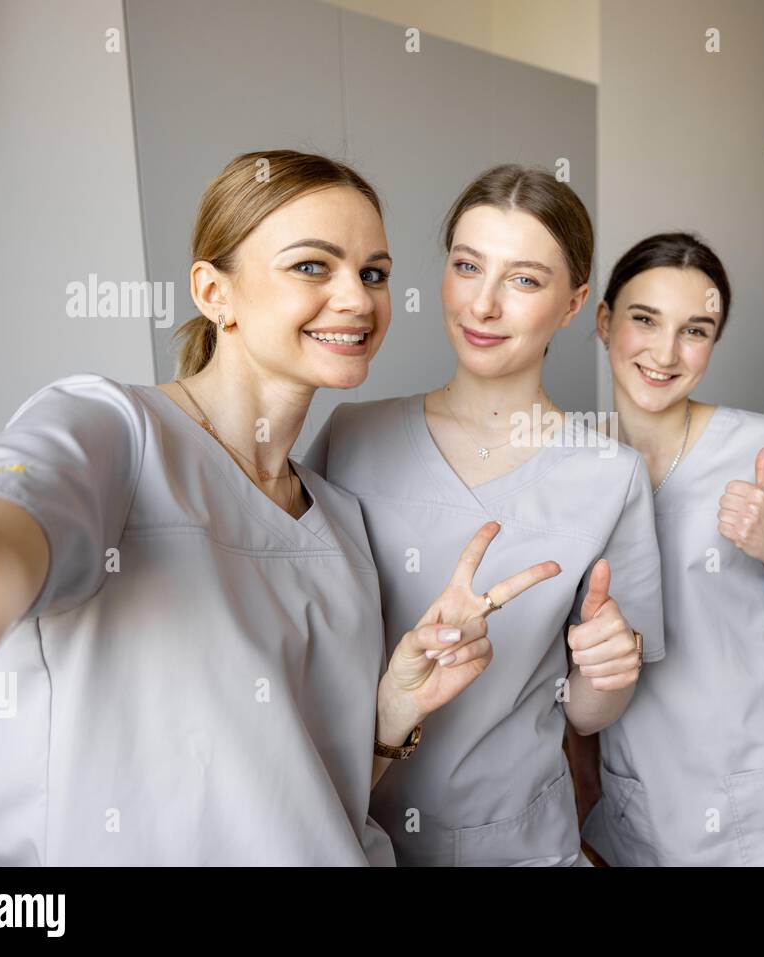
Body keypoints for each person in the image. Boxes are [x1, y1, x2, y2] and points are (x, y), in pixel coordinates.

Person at [0, 149, 556, 865]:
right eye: (313, 265)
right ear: (213, 292)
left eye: (373, 273)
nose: (357, 298)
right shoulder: (112, 432)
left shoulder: (340, 519)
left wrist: (398, 707)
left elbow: (314, 792)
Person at [302, 165, 665, 867]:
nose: (483, 305)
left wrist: (607, 672)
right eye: (468, 266)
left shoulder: (609, 476)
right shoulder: (352, 437)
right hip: (351, 829)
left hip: (520, 839)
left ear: (573, 304)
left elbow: (588, 712)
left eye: (524, 280)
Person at [571, 233, 764, 865]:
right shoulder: (570, 463)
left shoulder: (759, 448)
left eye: (696, 330)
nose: (665, 352)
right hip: (651, 792)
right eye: (644, 320)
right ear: (604, 322)